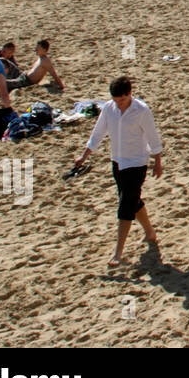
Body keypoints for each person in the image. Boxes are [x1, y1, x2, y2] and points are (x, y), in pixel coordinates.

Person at [71, 77, 163, 267]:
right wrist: (83, 157)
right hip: (118, 161)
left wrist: (158, 161)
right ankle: (150, 232)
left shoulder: (141, 110)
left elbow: (153, 136)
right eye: (115, 100)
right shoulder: (108, 109)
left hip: (137, 163)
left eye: (121, 100)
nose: (118, 104)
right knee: (131, 199)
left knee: (125, 205)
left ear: (129, 94)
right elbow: (97, 134)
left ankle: (118, 253)